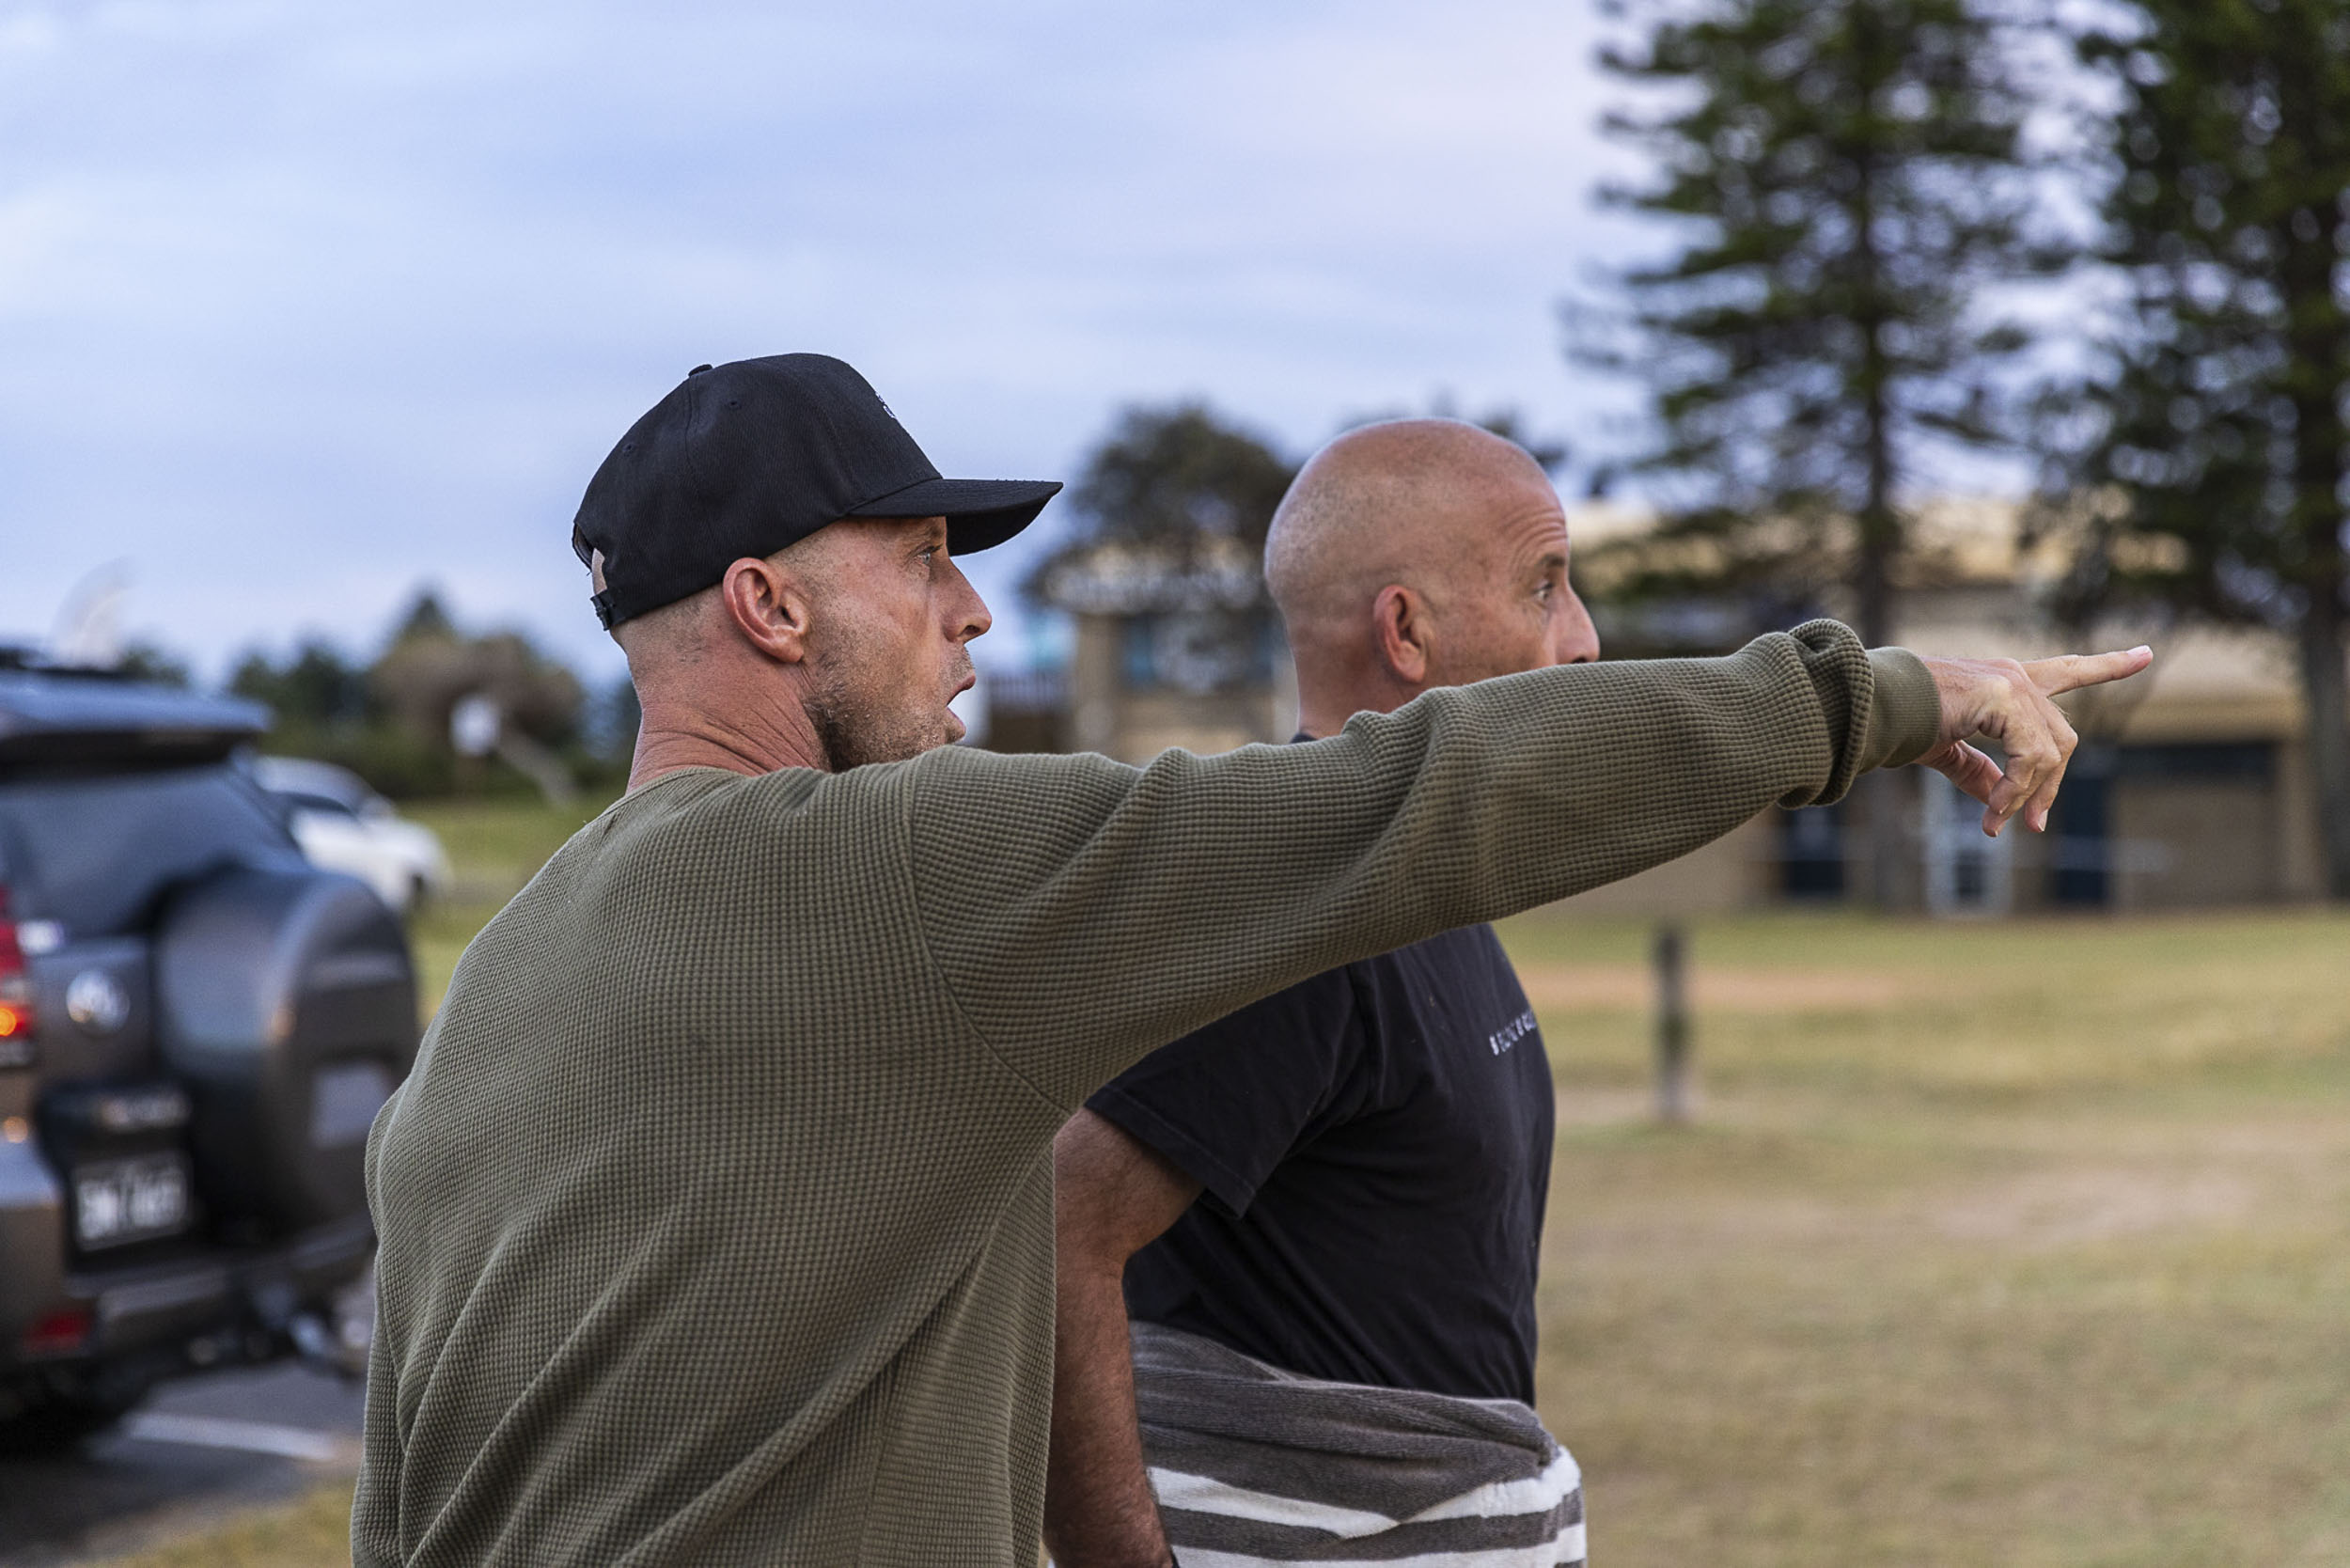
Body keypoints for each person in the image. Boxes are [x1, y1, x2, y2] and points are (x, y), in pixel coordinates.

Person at [352, 353, 2147, 1568]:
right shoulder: (903, 873)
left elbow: (400, 1488)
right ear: (769, 607)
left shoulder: (498, 980)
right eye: (921, 561)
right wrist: (1891, 695)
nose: (976, 608)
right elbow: (1425, 793)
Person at [1043, 419, 1601, 1568]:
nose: (1584, 641)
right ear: (1405, 630)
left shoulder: (1399, 874)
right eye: (1544, 586)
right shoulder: (1298, 910)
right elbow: (1057, 1225)